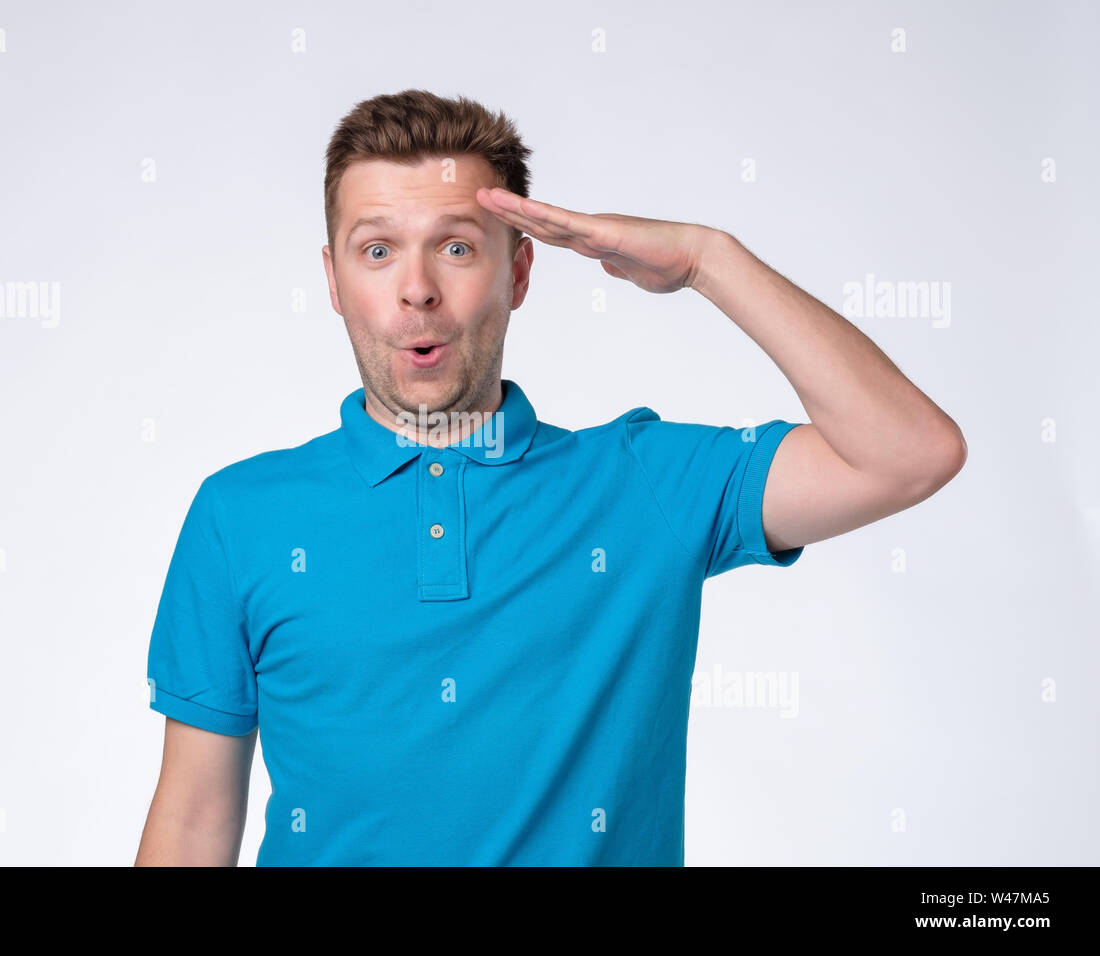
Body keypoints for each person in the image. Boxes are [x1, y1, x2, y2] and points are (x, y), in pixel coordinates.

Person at [134, 89, 966, 867]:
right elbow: (195, 816)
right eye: (378, 249)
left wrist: (709, 261)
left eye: (456, 247)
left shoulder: (646, 483)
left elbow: (909, 454)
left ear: (520, 273)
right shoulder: (239, 516)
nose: (417, 289)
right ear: (333, 280)